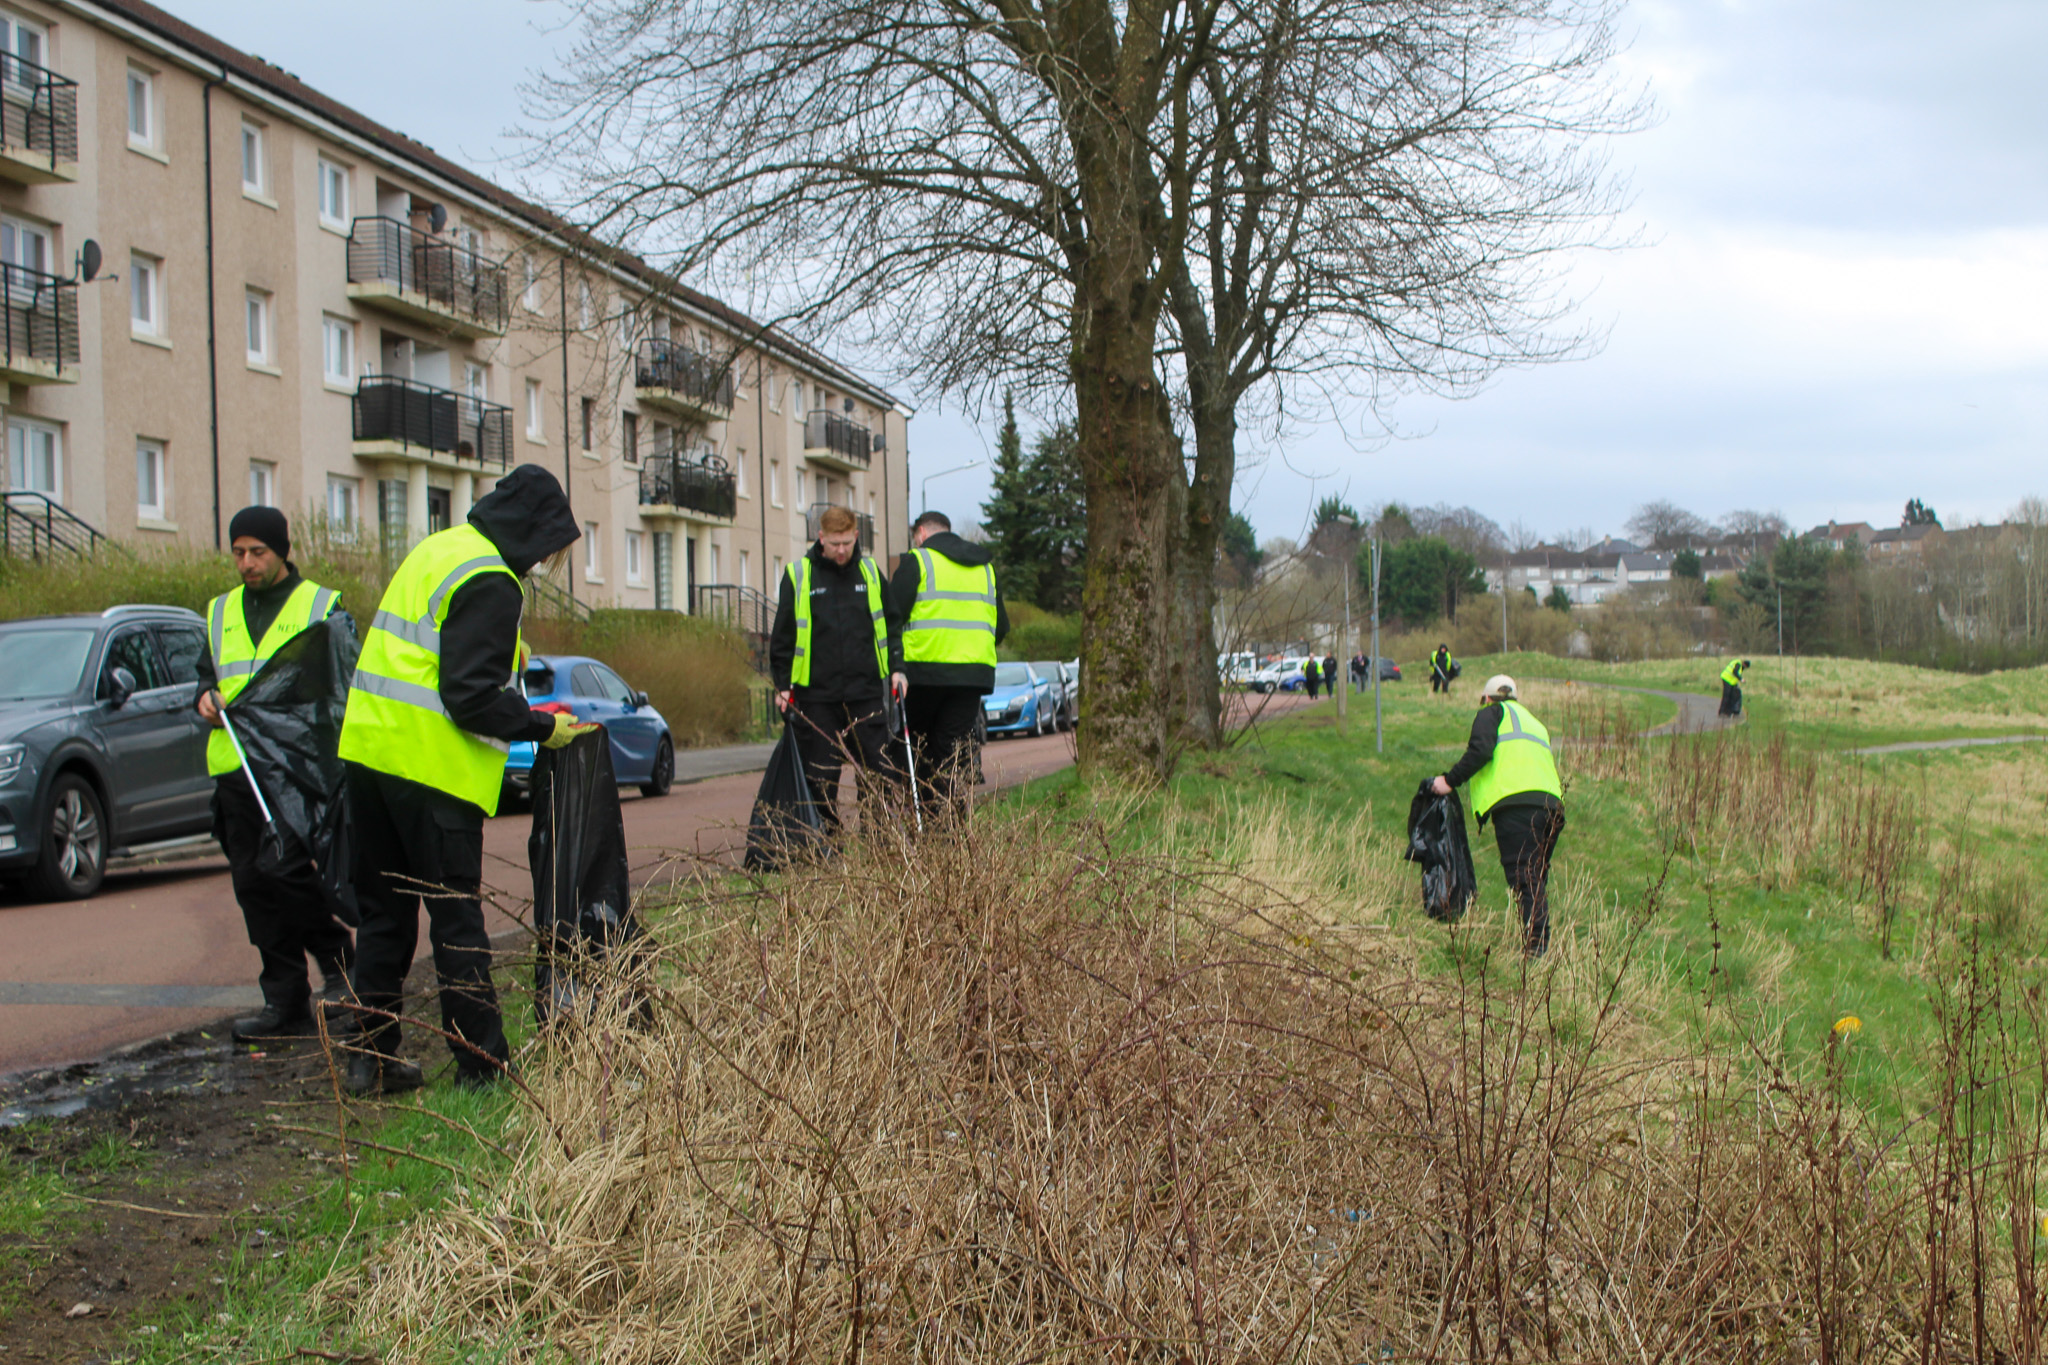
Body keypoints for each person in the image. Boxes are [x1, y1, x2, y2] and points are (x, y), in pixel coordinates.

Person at [337, 465, 592, 1095]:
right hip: (432, 775)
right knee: (455, 920)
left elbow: (424, 652)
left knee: (383, 919)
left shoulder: (441, 549)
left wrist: (510, 656)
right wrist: (539, 726)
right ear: (535, 533)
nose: (546, 564)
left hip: (370, 759)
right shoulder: (493, 580)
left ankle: (371, 1059)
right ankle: (483, 1065)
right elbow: (468, 697)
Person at [193, 507, 356, 1043]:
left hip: (294, 769)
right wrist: (204, 700)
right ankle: (283, 1000)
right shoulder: (220, 612)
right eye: (238, 552)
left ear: (282, 550)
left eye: (257, 552)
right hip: (236, 769)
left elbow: (337, 684)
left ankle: (337, 962)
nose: (246, 563)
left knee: (285, 868)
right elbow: (204, 675)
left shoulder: (320, 606)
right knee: (254, 885)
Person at [768, 504, 907, 831]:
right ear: (820, 538)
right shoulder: (799, 575)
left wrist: (898, 669)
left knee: (878, 772)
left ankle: (880, 842)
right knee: (820, 776)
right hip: (816, 696)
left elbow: (893, 625)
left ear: (856, 536)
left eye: (847, 542)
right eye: (834, 544)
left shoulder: (871, 574)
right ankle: (826, 843)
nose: (842, 550)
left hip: (867, 692)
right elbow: (783, 637)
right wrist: (783, 685)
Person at [1429, 674, 1564, 957]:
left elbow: (1480, 750)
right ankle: (1537, 942)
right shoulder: (1534, 722)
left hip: (1517, 805)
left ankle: (1536, 949)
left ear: (1488, 698)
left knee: (1526, 877)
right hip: (1552, 806)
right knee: (1535, 876)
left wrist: (1449, 781)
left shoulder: (1492, 714)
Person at [890, 510, 1008, 809]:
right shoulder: (986, 569)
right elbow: (1001, 626)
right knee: (949, 755)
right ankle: (950, 830)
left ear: (921, 534)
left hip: (923, 675)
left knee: (916, 753)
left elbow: (891, 618)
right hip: (971, 678)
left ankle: (929, 826)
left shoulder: (917, 561)